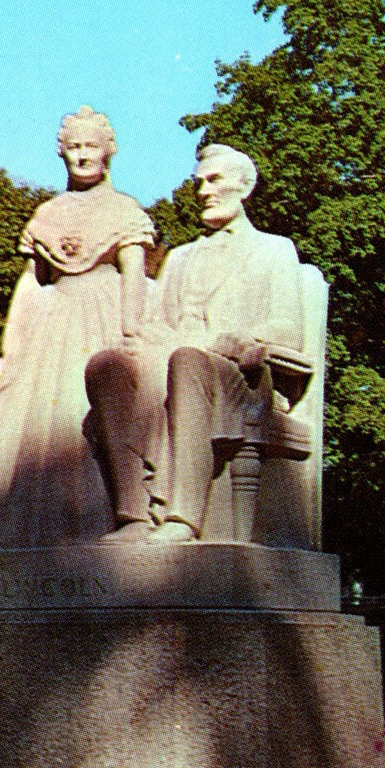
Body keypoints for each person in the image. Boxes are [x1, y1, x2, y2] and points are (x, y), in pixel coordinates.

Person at [0, 107, 155, 549]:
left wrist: (132, 335)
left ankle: (110, 523)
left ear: (107, 152)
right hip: (51, 323)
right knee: (36, 428)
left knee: (88, 413)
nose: (82, 156)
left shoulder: (124, 211)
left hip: (102, 315)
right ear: (63, 154)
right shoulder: (48, 213)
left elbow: (134, 275)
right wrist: (12, 349)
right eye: (74, 148)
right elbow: (30, 282)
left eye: (90, 147)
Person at [84, 144, 304, 542]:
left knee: (187, 359)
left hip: (241, 377)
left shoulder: (274, 250)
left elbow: (289, 330)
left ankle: (183, 517)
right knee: (108, 366)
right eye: (199, 183)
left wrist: (245, 342)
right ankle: (133, 515)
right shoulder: (180, 258)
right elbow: (154, 326)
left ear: (246, 185)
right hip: (174, 364)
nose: (203, 191)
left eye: (214, 180)